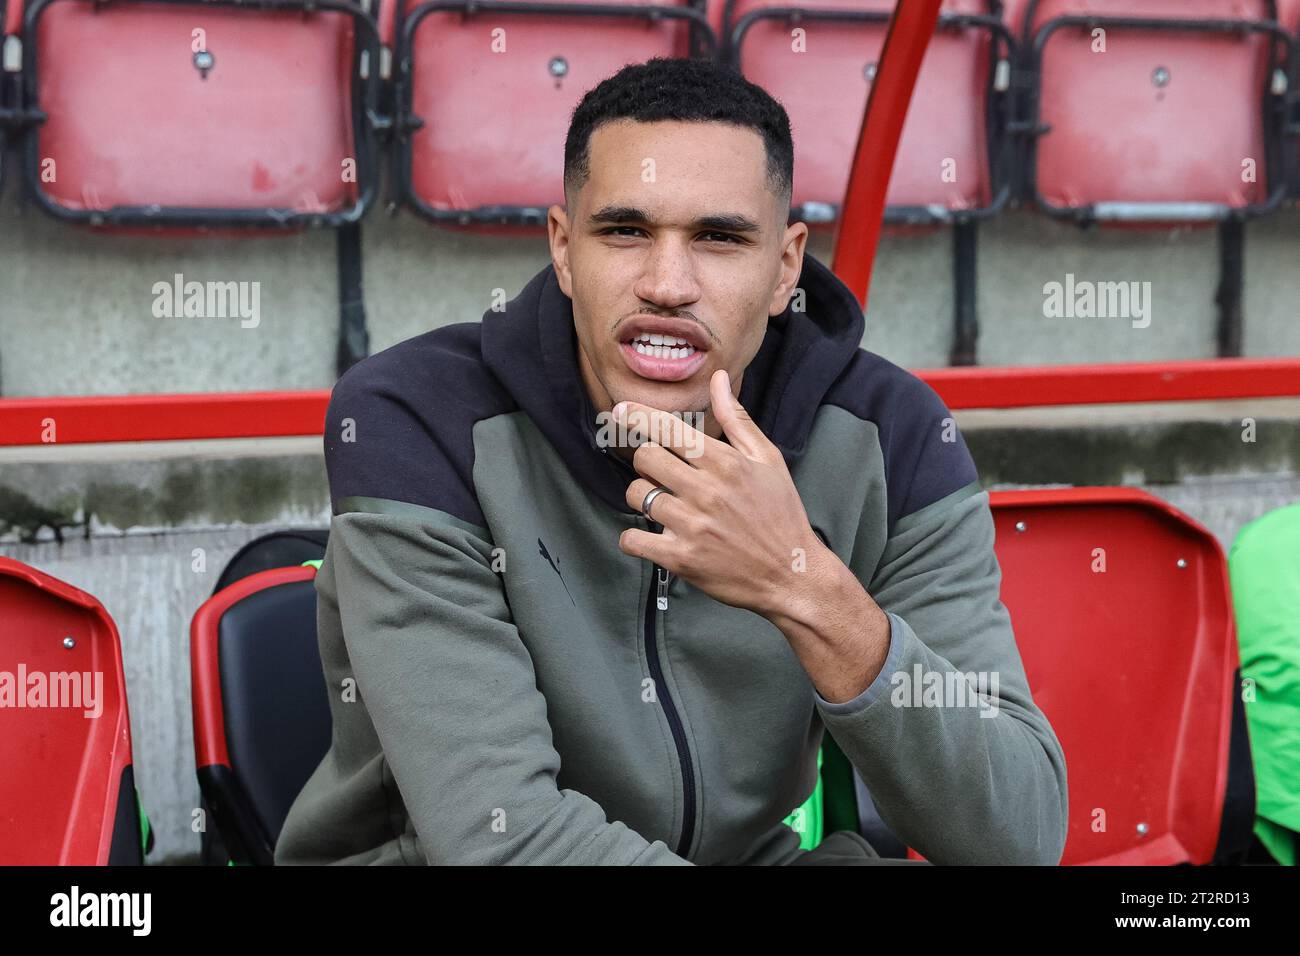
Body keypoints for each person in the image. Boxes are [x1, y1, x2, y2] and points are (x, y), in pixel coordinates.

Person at [275, 56, 1068, 865]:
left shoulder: (893, 436)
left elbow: (1019, 839)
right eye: (625, 230)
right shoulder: (418, 419)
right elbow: (500, 842)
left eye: (719, 238)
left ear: (785, 267)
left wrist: (802, 587)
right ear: (562, 248)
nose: (667, 283)